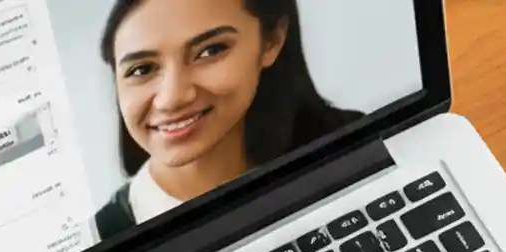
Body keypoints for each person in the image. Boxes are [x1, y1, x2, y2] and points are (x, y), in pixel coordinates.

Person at [94, 0, 363, 239]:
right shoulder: (100, 237)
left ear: (272, 41)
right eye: (142, 69)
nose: (172, 98)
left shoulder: (358, 143)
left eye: (210, 51)